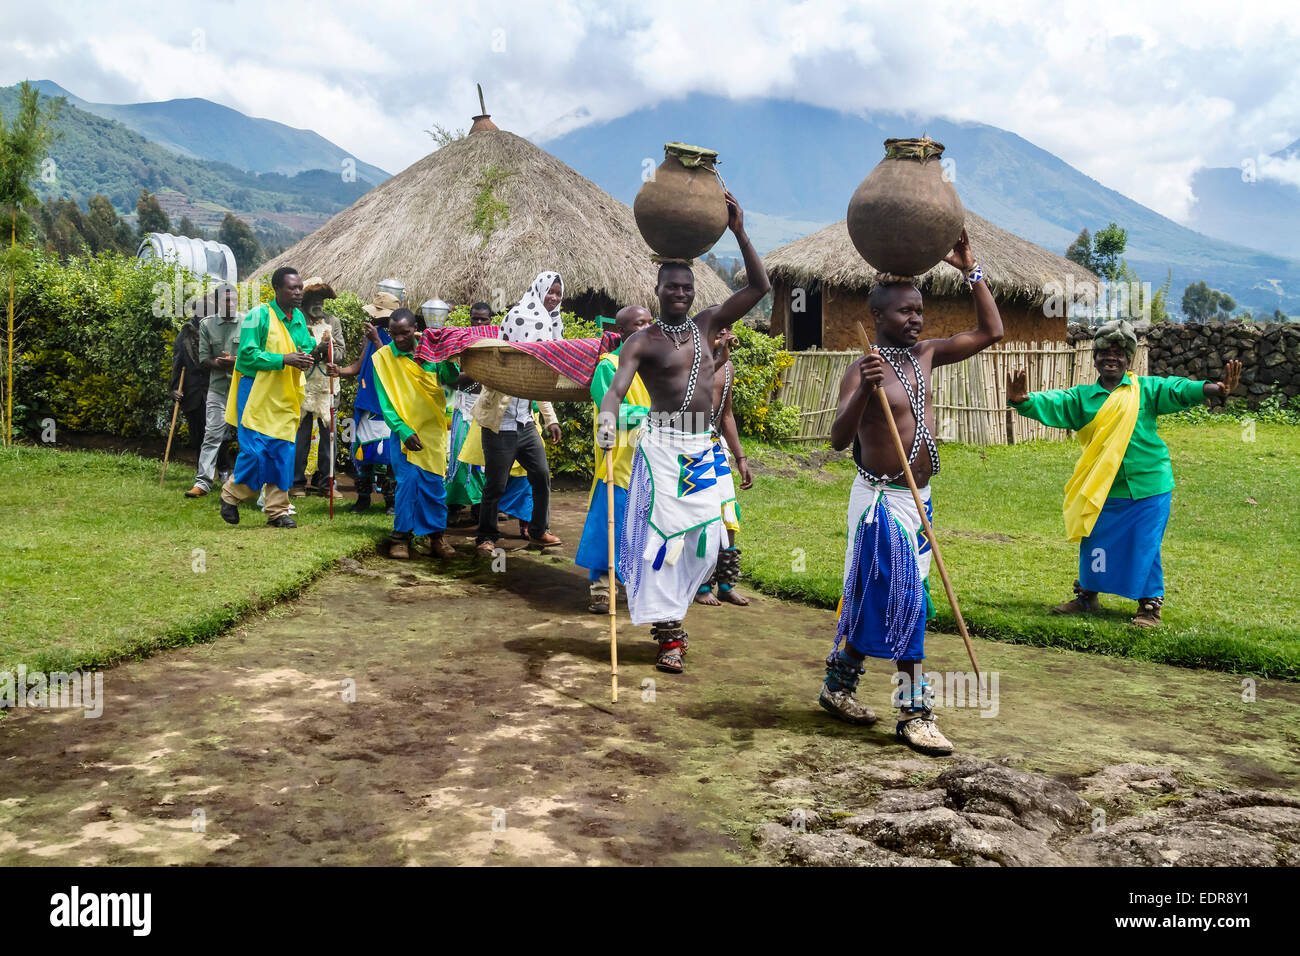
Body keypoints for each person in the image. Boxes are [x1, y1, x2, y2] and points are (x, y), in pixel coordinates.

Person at [818, 229, 1002, 757]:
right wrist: (866, 389)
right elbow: (835, 439)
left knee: (880, 600)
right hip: (880, 503)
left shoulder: (925, 355)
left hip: (918, 500)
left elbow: (991, 331)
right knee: (907, 604)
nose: (915, 319)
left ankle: (837, 686)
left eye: (919, 310)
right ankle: (915, 713)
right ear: (877, 318)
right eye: (904, 312)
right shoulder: (860, 367)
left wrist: (971, 270)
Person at [597, 190, 768, 674]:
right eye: (671, 287)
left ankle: (679, 612)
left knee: (708, 541)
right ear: (658, 290)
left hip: (701, 448)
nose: (680, 294)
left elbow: (759, 287)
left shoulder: (708, 324)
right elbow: (617, 388)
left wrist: (739, 230)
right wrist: (609, 421)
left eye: (686, 287)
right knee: (660, 545)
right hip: (662, 448)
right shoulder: (641, 340)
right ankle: (668, 636)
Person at [1007, 320, 1241, 627]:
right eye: (1105, 352)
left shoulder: (1146, 390)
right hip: (1103, 488)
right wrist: (1022, 401)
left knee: (1144, 544)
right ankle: (1087, 598)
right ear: (1095, 358)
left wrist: (1215, 389)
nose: (1111, 357)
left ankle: (1149, 606)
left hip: (1149, 485)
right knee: (1094, 542)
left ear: (1129, 359)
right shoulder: (1081, 398)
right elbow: (1054, 402)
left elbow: (1179, 389)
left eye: (1119, 352)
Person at [348, 309, 460, 560]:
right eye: (394, 333)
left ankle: (437, 537)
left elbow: (451, 380)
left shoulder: (431, 352)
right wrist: (403, 430)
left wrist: (448, 356)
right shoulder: (383, 359)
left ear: (414, 329)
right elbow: (386, 403)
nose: (399, 338)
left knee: (434, 486)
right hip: (403, 434)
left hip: (432, 432)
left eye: (405, 333)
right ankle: (401, 537)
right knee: (406, 484)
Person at [219, 267, 327, 528]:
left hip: (285, 394)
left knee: (282, 452)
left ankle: (277, 511)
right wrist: (284, 359)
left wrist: (316, 352)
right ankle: (231, 494)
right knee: (255, 452)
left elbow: (303, 350)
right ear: (277, 289)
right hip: (256, 390)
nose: (299, 292)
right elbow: (246, 355)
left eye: (300, 288)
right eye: (293, 288)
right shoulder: (258, 316)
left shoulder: (298, 319)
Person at [472, 271, 564, 555]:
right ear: (539, 289)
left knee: (541, 476)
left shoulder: (550, 323)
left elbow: (540, 378)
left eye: (559, 293)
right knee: (495, 485)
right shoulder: (519, 315)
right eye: (550, 291)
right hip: (500, 422)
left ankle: (538, 531)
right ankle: (486, 537)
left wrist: (551, 419)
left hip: (525, 423)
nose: (554, 297)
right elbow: (511, 368)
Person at [576, 305, 653, 613]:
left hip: (651, 458)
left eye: (649, 322)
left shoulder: (657, 365)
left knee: (644, 525)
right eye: (638, 324)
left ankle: (635, 583)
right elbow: (610, 409)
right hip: (618, 457)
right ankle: (601, 587)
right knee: (609, 522)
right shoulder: (608, 365)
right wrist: (650, 415)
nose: (646, 328)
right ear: (622, 331)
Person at [695, 326, 754, 606]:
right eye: (718, 327)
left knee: (728, 513)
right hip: (689, 449)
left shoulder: (727, 366)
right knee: (703, 517)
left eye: (727, 328)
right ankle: (701, 584)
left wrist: (741, 458)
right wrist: (719, 353)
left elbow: (727, 414)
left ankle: (726, 583)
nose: (723, 332)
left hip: (716, 448)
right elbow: (698, 379)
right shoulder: (690, 359)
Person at [330, 291, 402, 515]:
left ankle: (390, 501)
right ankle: (363, 499)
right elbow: (361, 363)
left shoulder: (398, 337)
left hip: (386, 404)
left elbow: (394, 366)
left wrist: (377, 340)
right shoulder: (371, 336)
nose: (374, 320)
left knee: (388, 455)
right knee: (364, 453)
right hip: (366, 401)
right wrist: (340, 371)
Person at [291, 278, 346, 501]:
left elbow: (341, 352)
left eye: (321, 300)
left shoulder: (333, 321)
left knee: (329, 438)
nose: (318, 304)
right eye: (313, 299)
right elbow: (295, 350)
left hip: (328, 388)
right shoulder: (296, 322)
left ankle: (326, 483)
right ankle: (296, 483)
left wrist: (329, 350)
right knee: (300, 437)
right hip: (302, 386)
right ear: (304, 301)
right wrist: (316, 349)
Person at [185, 284, 239, 498]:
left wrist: (236, 362)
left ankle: (245, 483)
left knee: (248, 437)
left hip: (243, 386)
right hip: (217, 388)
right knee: (212, 434)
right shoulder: (207, 325)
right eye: (226, 300)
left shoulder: (248, 322)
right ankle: (203, 482)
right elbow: (203, 359)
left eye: (234, 299)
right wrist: (218, 363)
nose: (231, 303)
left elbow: (255, 354)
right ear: (217, 303)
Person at [170, 305, 209, 483]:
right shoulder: (184, 334)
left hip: (213, 389)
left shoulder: (214, 329)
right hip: (192, 391)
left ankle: (222, 468)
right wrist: (174, 388)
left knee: (218, 434)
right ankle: (203, 472)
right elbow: (177, 363)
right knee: (197, 434)